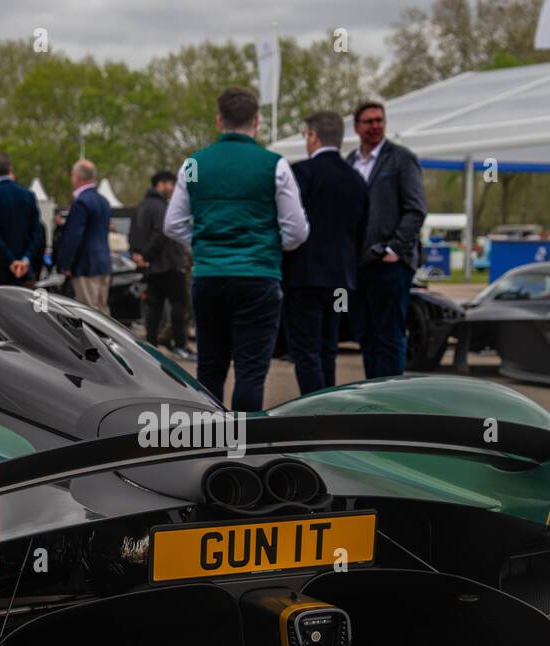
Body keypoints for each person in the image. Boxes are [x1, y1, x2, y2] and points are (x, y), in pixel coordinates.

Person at [163, 86, 309, 412]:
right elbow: (296, 230)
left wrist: (203, 242)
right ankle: (245, 449)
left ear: (219, 120)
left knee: (210, 368)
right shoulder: (276, 165)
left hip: (210, 277)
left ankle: (210, 445)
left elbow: (172, 224)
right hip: (258, 276)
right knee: (251, 372)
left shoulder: (194, 164)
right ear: (256, 122)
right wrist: (268, 245)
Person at [283, 111, 368, 395]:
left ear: (313, 136)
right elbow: (361, 230)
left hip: (304, 276)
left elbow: (289, 222)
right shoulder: (356, 179)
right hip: (341, 280)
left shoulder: (302, 174)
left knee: (305, 349)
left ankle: (312, 409)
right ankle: (328, 403)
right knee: (329, 346)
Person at [346, 100, 427, 379]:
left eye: (380, 120)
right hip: (359, 265)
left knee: (390, 335)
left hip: (391, 263)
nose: (375, 126)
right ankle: (373, 396)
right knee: (366, 335)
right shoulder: (350, 162)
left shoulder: (402, 158)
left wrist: (395, 248)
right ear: (357, 127)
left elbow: (416, 209)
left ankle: (391, 404)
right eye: (368, 121)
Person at [130, 170, 193, 359]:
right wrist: (147, 254)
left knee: (154, 308)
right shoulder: (163, 206)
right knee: (180, 305)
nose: (173, 189)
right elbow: (163, 233)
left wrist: (139, 255)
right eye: (170, 184)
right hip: (170, 264)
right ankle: (180, 345)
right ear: (161, 184)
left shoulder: (140, 206)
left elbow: (133, 234)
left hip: (152, 267)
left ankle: (151, 346)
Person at [0, 152, 43, 287]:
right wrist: (25, 259)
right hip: (23, 271)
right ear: (11, 169)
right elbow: (37, 231)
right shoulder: (28, 196)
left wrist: (10, 261)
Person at [54, 159, 112, 314]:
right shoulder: (104, 201)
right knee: (103, 310)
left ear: (78, 177)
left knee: (89, 313)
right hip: (103, 263)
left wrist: (65, 264)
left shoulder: (81, 202)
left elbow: (73, 236)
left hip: (86, 265)